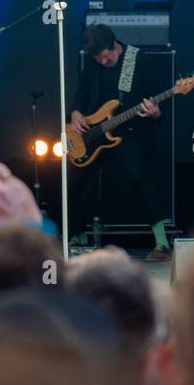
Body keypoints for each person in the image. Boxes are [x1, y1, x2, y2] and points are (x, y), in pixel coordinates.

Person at [68, 23, 170, 261]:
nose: (104, 62)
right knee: (72, 180)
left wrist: (155, 113)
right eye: (99, 59)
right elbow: (81, 95)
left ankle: (162, 243)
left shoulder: (137, 59)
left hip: (128, 132)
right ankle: (77, 236)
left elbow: (156, 100)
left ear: (114, 44)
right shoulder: (92, 63)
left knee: (139, 176)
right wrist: (75, 113)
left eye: (107, 57)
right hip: (94, 134)